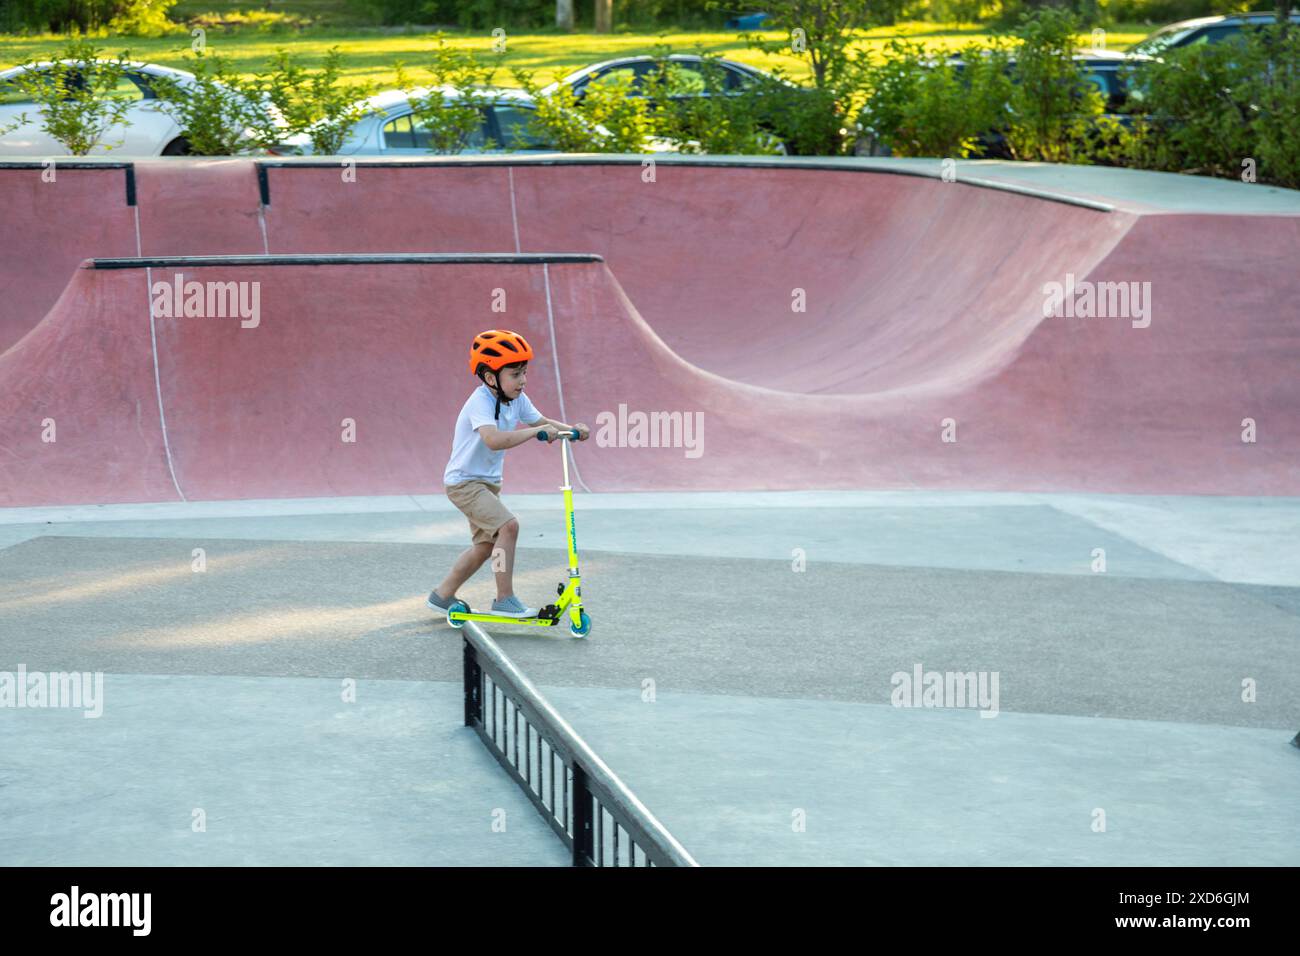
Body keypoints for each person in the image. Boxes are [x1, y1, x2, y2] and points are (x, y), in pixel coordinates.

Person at [429, 329, 589, 618]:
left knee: (485, 545)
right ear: (491, 378)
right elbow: (494, 439)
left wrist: (571, 430)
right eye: (515, 374)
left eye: (524, 372)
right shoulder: (480, 401)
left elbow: (542, 421)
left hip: (487, 484)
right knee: (509, 527)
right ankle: (504, 599)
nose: (523, 380)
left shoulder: (517, 400)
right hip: (464, 482)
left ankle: (442, 595)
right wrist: (535, 433)